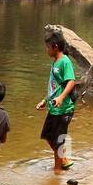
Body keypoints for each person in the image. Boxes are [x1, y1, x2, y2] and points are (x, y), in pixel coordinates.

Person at [36, 30, 76, 171]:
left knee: (58, 141)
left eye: (48, 47)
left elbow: (71, 81)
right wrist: (45, 100)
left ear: (55, 47)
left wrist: (61, 97)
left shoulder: (65, 62)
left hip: (64, 108)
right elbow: (55, 87)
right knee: (47, 135)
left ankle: (57, 173)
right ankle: (63, 159)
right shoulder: (55, 63)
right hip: (54, 107)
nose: (46, 50)